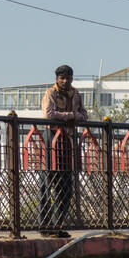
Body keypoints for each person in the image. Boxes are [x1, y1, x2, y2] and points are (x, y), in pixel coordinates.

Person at [39, 64, 88, 237]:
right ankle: (45, 225)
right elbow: (49, 114)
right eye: (63, 78)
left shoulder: (75, 94)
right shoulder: (50, 93)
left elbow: (84, 113)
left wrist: (75, 116)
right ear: (57, 79)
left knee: (66, 184)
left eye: (68, 78)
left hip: (68, 140)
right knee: (47, 182)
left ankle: (57, 225)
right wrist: (71, 116)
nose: (66, 81)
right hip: (51, 138)